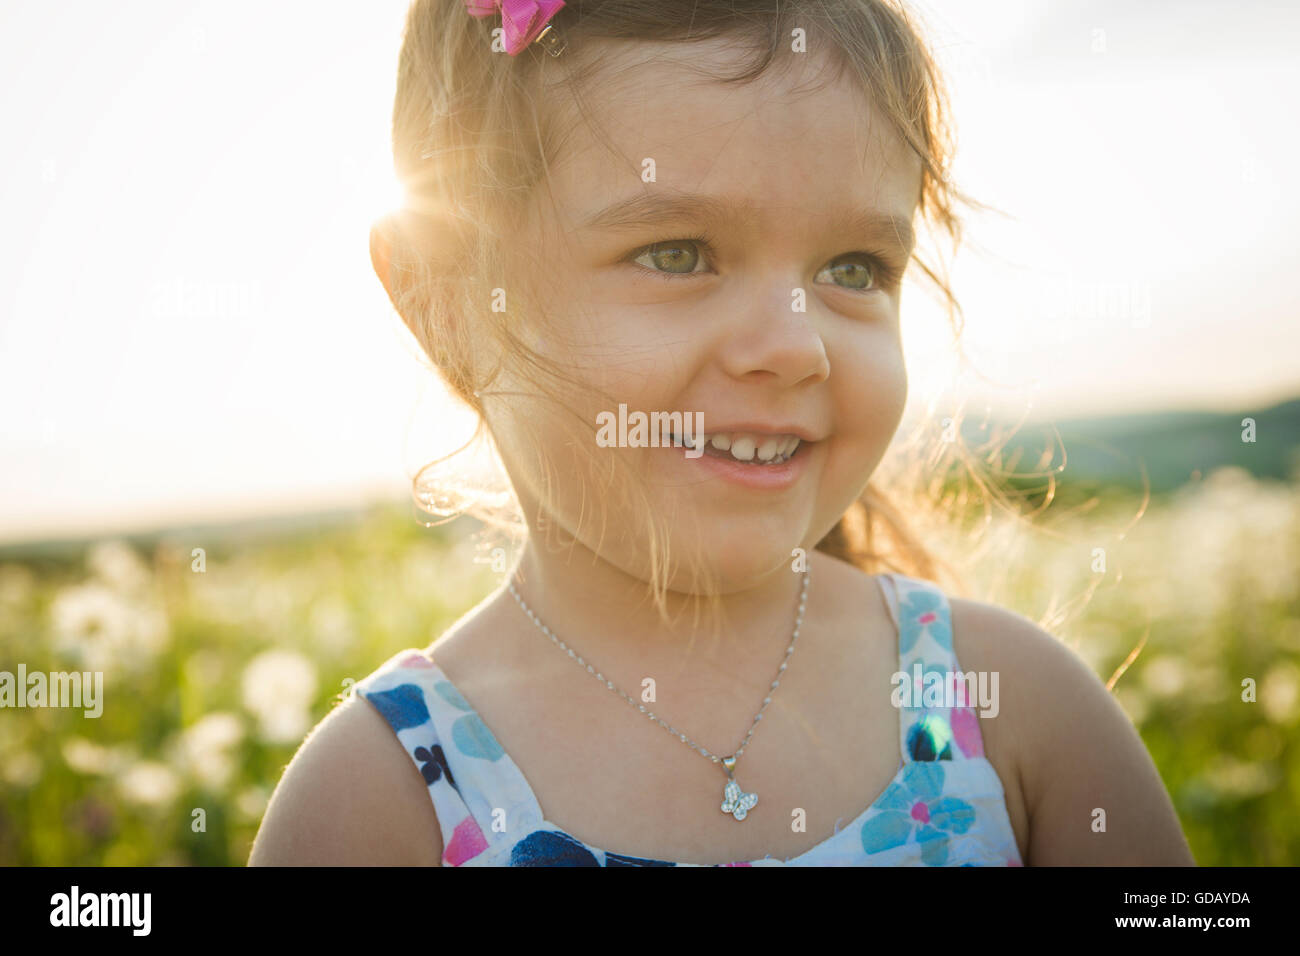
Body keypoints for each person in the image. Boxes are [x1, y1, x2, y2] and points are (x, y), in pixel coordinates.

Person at [250, 0, 1195, 866]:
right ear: (446, 304)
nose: (794, 346)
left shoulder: (1014, 710)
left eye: (856, 268)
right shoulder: (379, 804)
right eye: (677, 254)